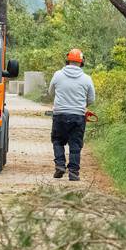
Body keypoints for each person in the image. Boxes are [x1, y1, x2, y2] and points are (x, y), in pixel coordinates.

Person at [48, 48, 96, 180]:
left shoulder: (57, 75)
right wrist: (81, 106)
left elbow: (51, 92)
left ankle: (60, 165)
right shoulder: (87, 79)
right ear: (82, 62)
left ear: (67, 60)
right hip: (78, 116)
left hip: (60, 115)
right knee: (75, 144)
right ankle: (74, 173)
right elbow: (91, 99)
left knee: (58, 141)